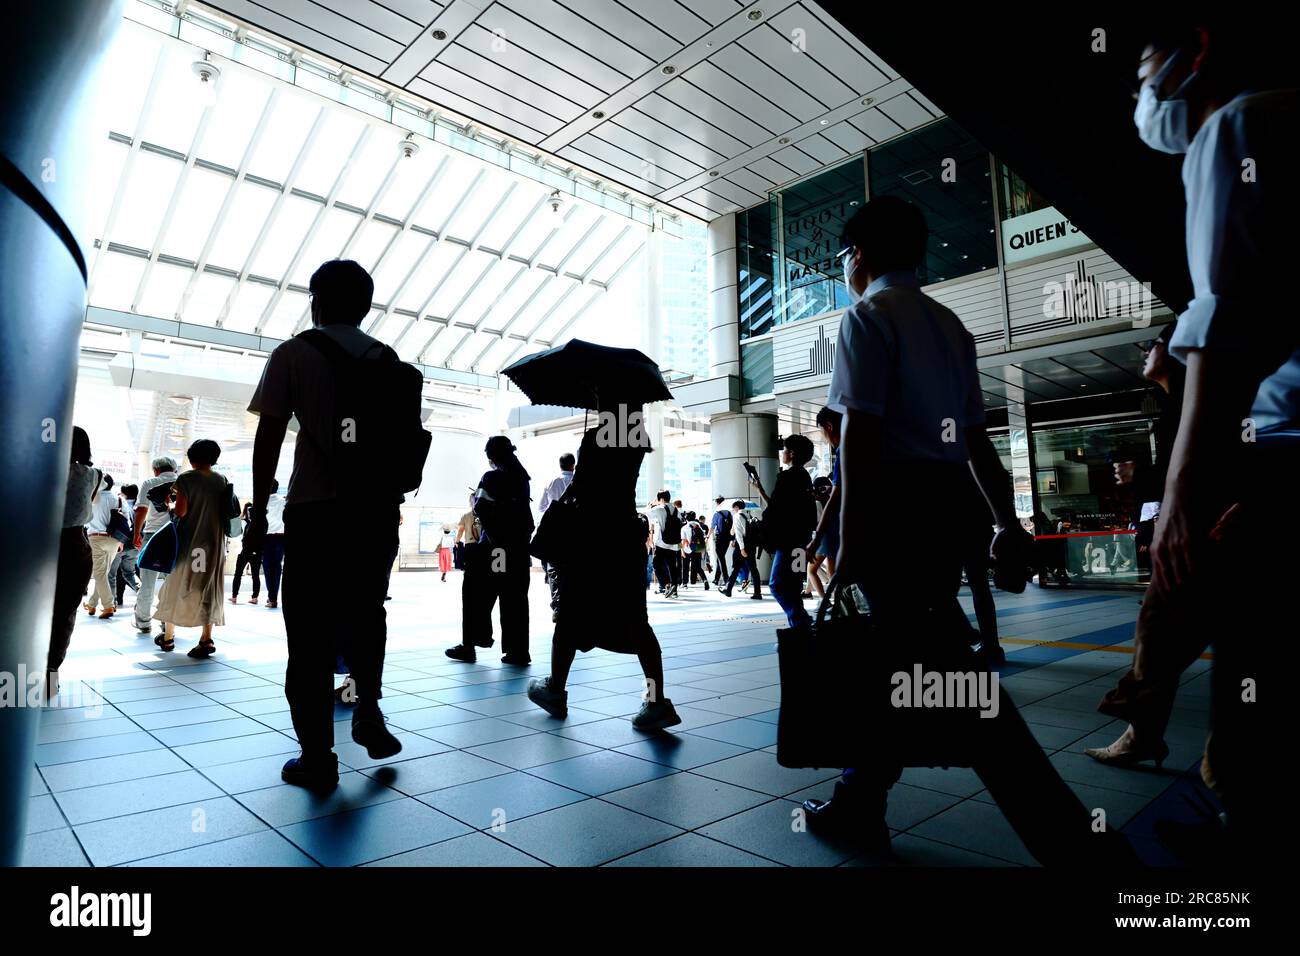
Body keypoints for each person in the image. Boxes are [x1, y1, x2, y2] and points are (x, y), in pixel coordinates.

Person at [800, 195, 1129, 866]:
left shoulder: (866, 317)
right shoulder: (950, 324)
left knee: (946, 679)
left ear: (858, 254)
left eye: (844, 257)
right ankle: (859, 798)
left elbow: (858, 435)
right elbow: (978, 438)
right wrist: (1006, 522)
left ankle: (1079, 846)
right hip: (944, 511)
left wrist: (853, 542)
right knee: (911, 658)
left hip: (891, 512)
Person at [1094, 25, 1297, 863]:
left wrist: (1182, 496)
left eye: (1144, 69)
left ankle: (1240, 835)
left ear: (1199, 50)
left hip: (1281, 445)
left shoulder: (1238, 127)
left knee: (1249, 640)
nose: (1141, 93)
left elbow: (1226, 330)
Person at [247, 258, 405, 792]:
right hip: (376, 513)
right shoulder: (388, 360)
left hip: (315, 513)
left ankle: (319, 758)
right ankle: (368, 708)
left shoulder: (293, 354)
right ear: (365, 306)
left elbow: (269, 436)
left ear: (316, 299)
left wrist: (257, 507)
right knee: (367, 612)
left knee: (308, 635)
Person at [527, 403, 681, 731]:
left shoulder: (597, 436)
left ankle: (555, 689)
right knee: (638, 624)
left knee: (569, 616)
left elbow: (581, 488)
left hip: (591, 541)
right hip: (625, 540)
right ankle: (656, 701)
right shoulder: (637, 438)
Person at [446, 436, 534, 664]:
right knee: (514, 599)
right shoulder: (523, 479)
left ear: (491, 456)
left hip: (496, 550)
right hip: (519, 549)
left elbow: (481, 509)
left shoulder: (492, 476)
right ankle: (518, 651)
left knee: (475, 594)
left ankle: (470, 645)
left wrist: (494, 539)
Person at [152, 439, 229, 658]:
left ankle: (167, 638)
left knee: (176, 585)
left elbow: (182, 512)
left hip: (191, 543)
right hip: (213, 544)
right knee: (208, 587)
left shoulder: (185, 479)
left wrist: (169, 504)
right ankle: (206, 639)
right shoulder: (221, 480)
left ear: (192, 456)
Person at [46, 427, 99, 701]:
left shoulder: (41, 467)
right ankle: (50, 673)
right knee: (65, 611)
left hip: (37, 543)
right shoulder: (93, 475)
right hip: (76, 545)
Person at [749, 435, 817, 627]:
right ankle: (800, 628)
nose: (783, 453)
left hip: (787, 542)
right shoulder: (804, 476)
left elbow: (776, 509)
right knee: (794, 586)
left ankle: (801, 622)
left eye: (785, 449)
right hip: (801, 541)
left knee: (777, 585)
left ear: (792, 453)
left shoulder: (787, 476)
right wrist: (761, 489)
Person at [133, 457, 178, 636]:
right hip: (176, 536)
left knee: (148, 582)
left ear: (155, 470)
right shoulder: (182, 482)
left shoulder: (150, 482)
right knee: (171, 581)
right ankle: (167, 623)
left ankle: (143, 622)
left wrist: (137, 533)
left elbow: (142, 509)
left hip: (152, 536)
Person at [807, 406, 842, 599]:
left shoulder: (845, 453)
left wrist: (816, 539)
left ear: (829, 427)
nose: (824, 437)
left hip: (839, 533)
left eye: (821, 432)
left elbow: (836, 500)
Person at [538, 452, 575, 619]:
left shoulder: (552, 482)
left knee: (554, 570)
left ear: (560, 465)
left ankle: (558, 607)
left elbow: (541, 507)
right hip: (576, 531)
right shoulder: (581, 482)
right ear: (573, 465)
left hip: (556, 531)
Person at [83, 473, 121, 619]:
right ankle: (92, 604)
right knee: (102, 574)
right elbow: (126, 521)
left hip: (96, 538)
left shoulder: (92, 499)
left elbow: (85, 519)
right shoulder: (118, 499)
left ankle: (109, 605)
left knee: (99, 573)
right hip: (114, 539)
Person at [721, 500, 761, 599]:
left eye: (733, 508)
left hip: (742, 547)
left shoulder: (737, 516)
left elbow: (739, 535)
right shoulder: (749, 516)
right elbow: (735, 532)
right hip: (751, 546)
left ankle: (728, 590)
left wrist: (742, 549)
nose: (733, 510)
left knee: (736, 568)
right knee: (754, 569)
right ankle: (757, 593)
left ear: (737, 507)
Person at [109, 483, 140, 607]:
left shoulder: (121, 505)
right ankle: (141, 591)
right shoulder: (141, 507)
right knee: (130, 573)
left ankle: (112, 603)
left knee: (111, 574)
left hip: (119, 543)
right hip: (134, 545)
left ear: (124, 493)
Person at [649, 490, 682, 598]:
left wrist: (651, 505)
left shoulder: (659, 509)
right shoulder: (677, 511)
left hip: (662, 543)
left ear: (661, 499)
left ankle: (667, 585)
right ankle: (674, 588)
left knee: (656, 563)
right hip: (674, 544)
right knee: (672, 566)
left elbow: (646, 515)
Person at [229, 501, 262, 605]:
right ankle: (234, 596)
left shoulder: (257, 523)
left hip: (253, 553)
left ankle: (254, 597)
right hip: (244, 552)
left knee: (255, 575)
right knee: (238, 574)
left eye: (251, 510)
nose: (249, 512)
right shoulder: (244, 522)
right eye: (248, 510)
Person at [260, 479, 285, 609]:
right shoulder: (284, 501)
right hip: (281, 538)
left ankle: (272, 598)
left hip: (267, 538)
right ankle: (273, 597)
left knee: (268, 568)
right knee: (277, 568)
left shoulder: (262, 503)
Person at [683, 512, 710, 590]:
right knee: (698, 566)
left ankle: (685, 583)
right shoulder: (698, 526)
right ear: (694, 517)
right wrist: (702, 550)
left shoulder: (684, 527)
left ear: (686, 518)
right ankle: (705, 580)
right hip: (697, 548)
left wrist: (681, 549)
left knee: (686, 566)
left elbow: (683, 540)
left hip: (687, 548)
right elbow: (703, 537)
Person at [710, 495, 732, 585]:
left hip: (719, 538)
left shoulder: (717, 513)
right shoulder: (729, 513)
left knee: (721, 558)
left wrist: (707, 537)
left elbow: (712, 527)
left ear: (717, 503)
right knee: (720, 557)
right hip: (727, 538)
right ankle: (716, 579)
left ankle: (726, 578)